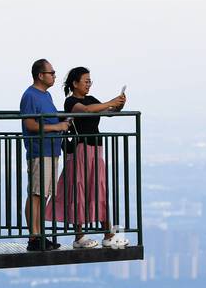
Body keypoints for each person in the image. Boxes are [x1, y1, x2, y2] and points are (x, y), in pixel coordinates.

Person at [49, 66, 128, 249]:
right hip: (79, 150)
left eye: (90, 81)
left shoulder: (92, 99)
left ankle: (108, 234)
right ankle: (79, 236)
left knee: (98, 189)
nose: (88, 85)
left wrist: (118, 104)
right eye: (86, 81)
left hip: (96, 149)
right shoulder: (71, 102)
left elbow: (106, 112)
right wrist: (111, 101)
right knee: (79, 188)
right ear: (75, 83)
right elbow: (86, 110)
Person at [21, 59, 71, 251]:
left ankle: (40, 233)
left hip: (51, 149)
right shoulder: (30, 96)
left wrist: (62, 121)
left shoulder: (46, 96)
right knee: (36, 193)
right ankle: (34, 237)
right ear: (40, 75)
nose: (54, 76)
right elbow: (30, 124)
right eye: (51, 73)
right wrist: (57, 126)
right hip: (39, 151)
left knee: (44, 193)